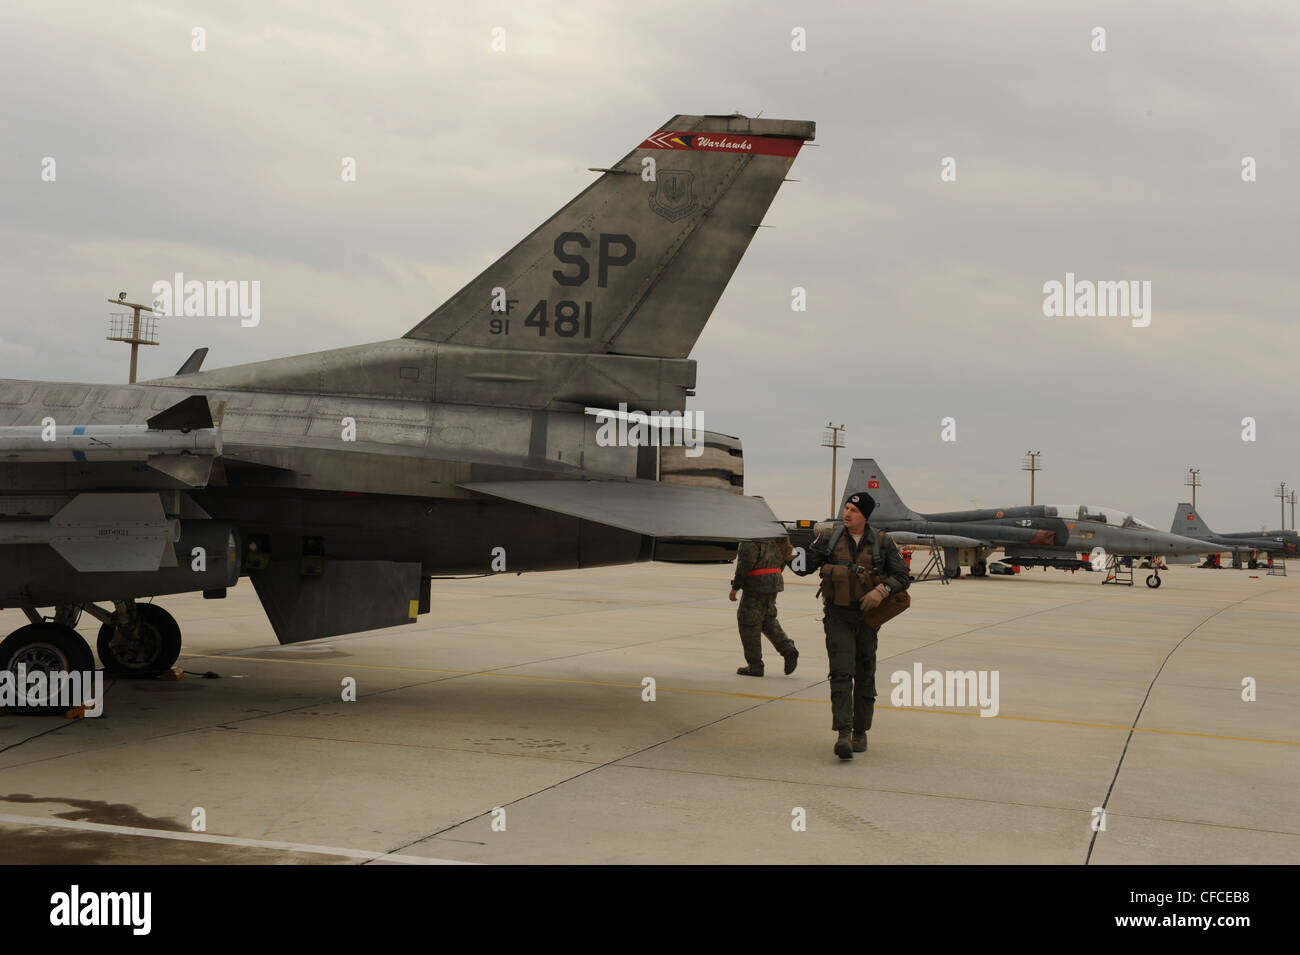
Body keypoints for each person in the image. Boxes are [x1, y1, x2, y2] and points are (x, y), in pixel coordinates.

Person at [794, 491, 911, 760]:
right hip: (837, 616)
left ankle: (861, 731)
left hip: (867, 619)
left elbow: (902, 576)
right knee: (841, 672)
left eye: (854, 511)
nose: (847, 514)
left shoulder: (882, 542)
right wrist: (789, 552)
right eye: (846, 508)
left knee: (865, 674)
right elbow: (804, 566)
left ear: (865, 516)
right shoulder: (828, 538)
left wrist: (881, 590)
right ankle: (844, 733)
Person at [729, 536, 798, 677]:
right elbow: (786, 555)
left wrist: (736, 586)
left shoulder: (751, 537)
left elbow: (745, 563)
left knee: (748, 621)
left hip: (757, 583)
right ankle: (787, 649)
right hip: (774, 580)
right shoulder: (775, 532)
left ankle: (755, 666)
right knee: (767, 619)